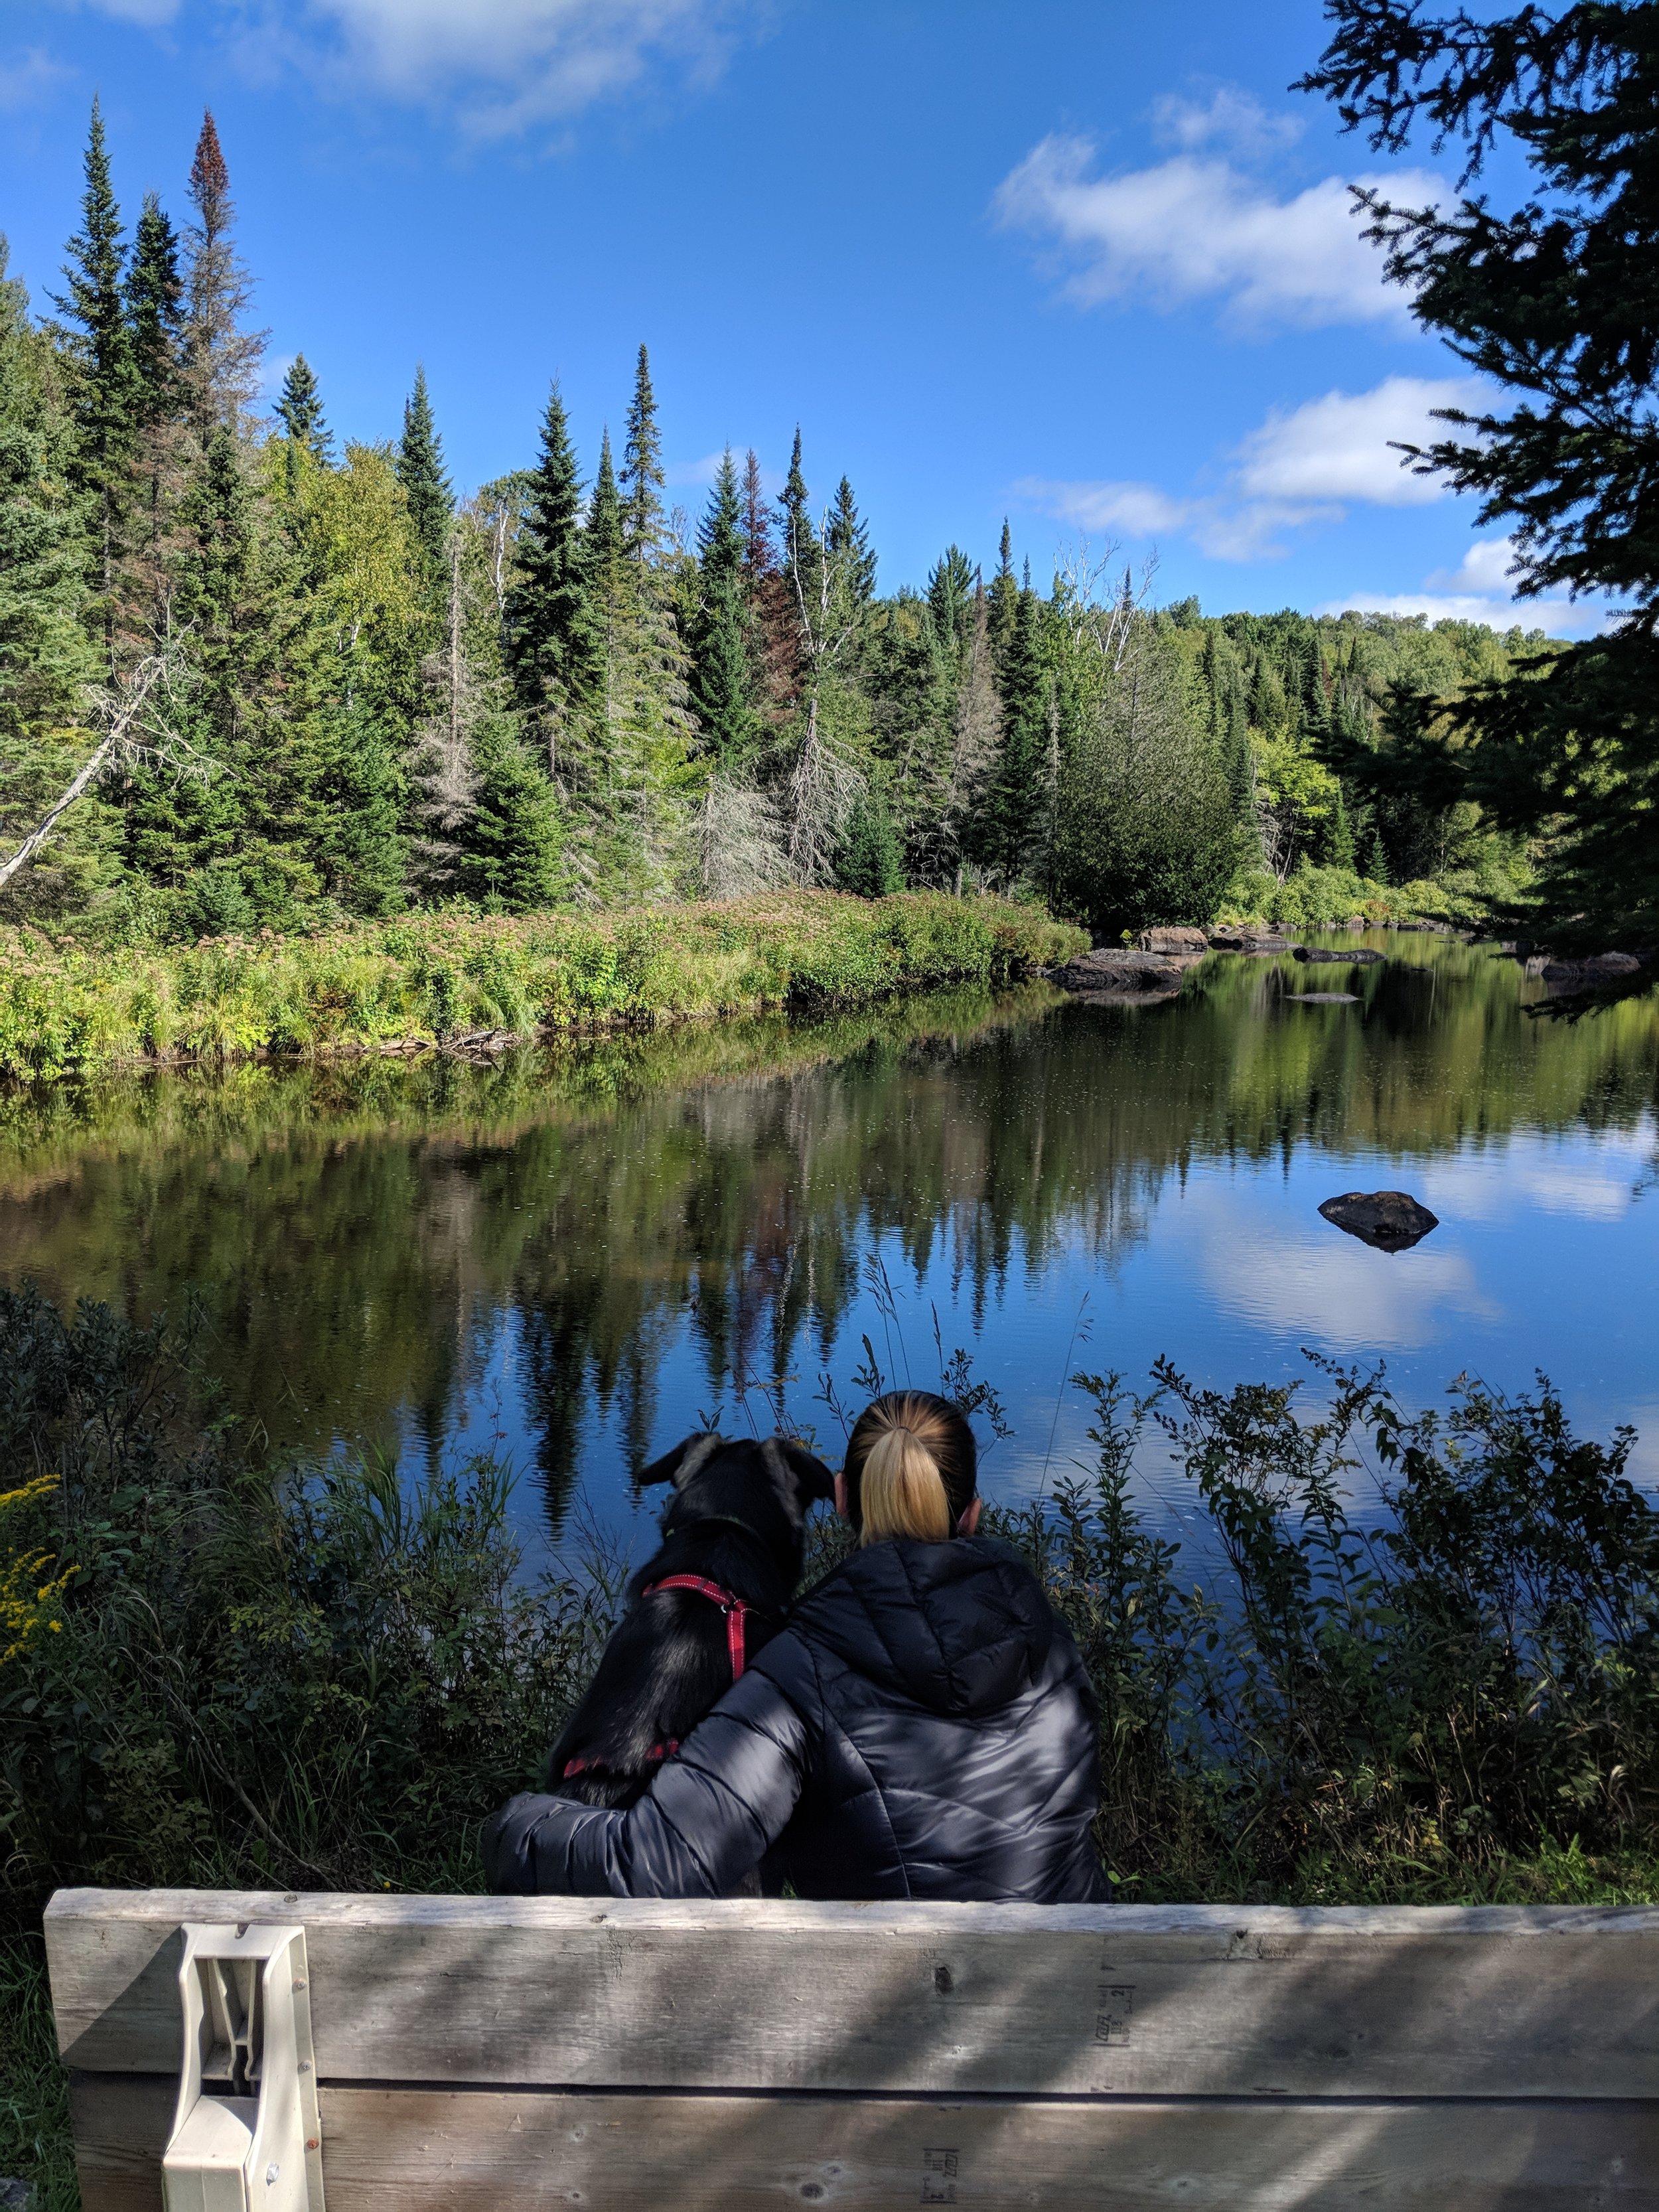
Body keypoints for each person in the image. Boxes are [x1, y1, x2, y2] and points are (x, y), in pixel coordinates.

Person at [484, 1390, 1109, 1901]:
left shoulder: (800, 1670)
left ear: (841, 1500)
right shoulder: (1051, 1644)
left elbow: (656, 1862)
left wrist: (516, 1824)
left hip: (897, 2032)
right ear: (972, 1515)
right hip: (1077, 2009)